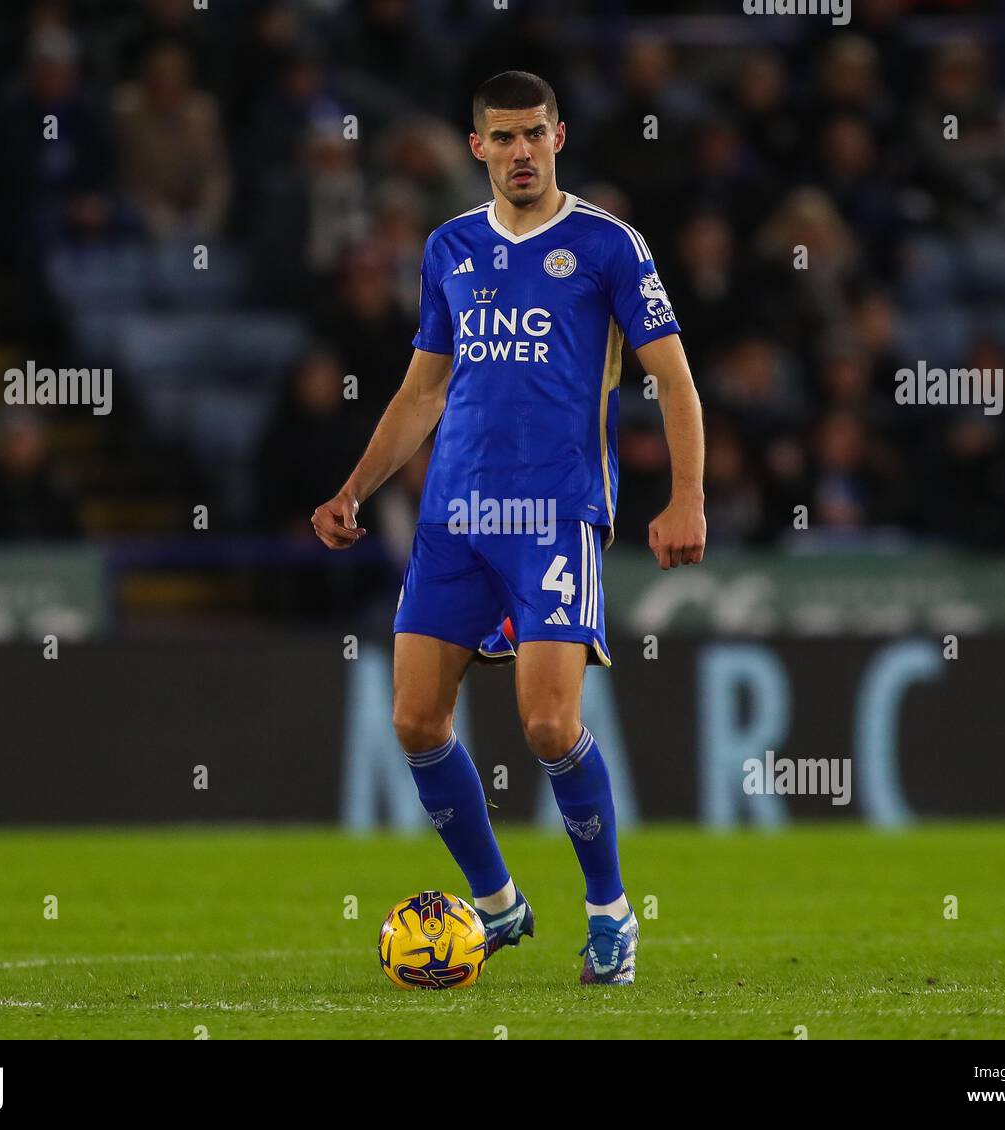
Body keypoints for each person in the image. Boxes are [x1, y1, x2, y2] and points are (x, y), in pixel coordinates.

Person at [312, 71, 706, 985]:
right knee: (414, 721)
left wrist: (686, 497)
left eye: (536, 133)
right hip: (453, 515)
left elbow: (675, 380)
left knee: (546, 725)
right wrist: (356, 490)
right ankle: (499, 906)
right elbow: (423, 390)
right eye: (504, 137)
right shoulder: (449, 247)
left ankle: (611, 915)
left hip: (554, 516)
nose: (522, 151)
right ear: (477, 146)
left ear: (559, 137)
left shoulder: (608, 246)